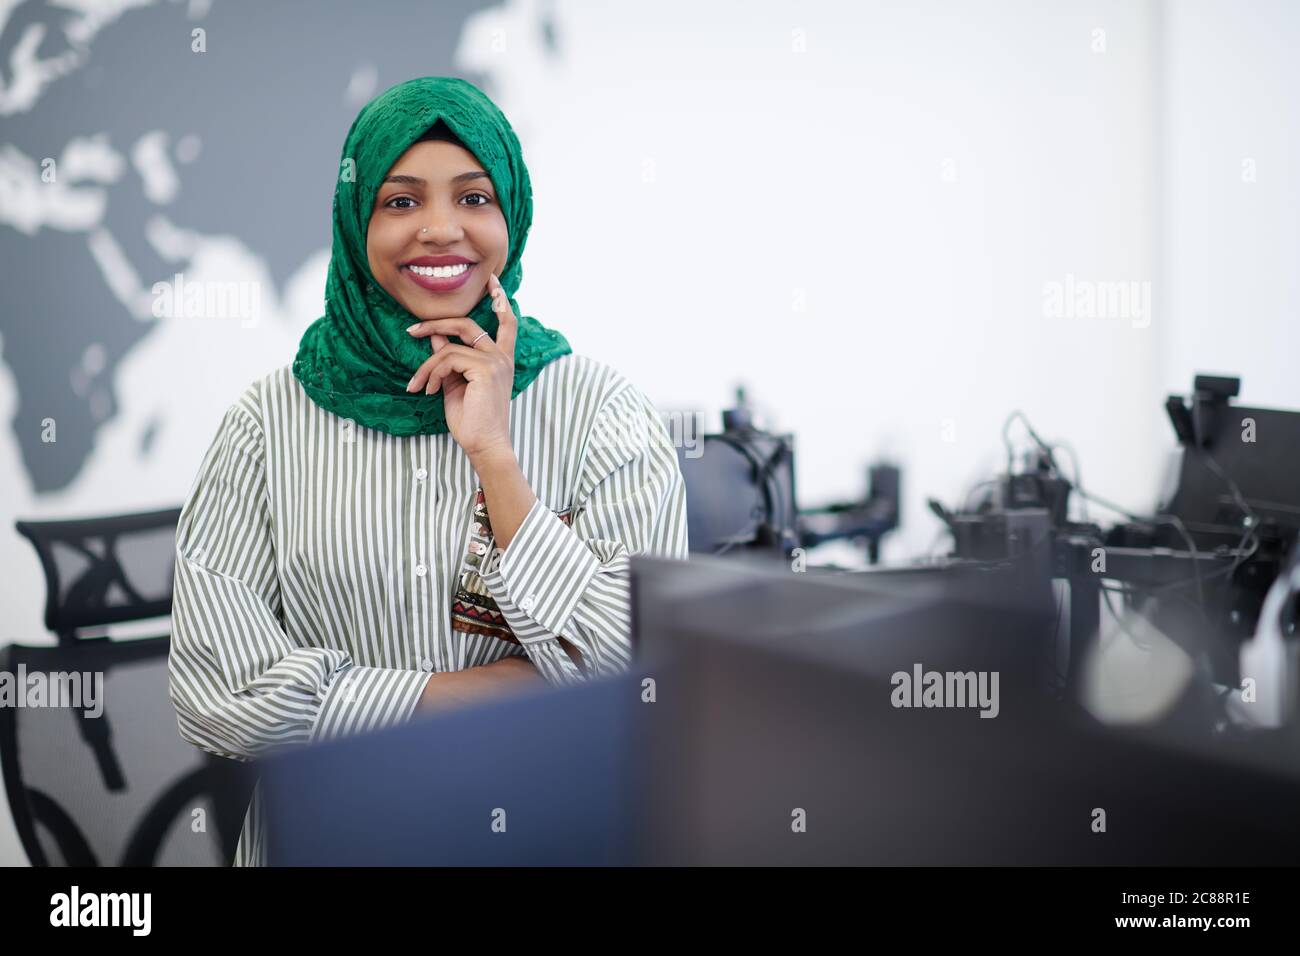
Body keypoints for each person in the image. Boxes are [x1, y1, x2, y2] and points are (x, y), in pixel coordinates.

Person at [166, 76, 689, 867]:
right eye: (401, 202)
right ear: (355, 222)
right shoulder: (265, 425)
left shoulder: (601, 412)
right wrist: (461, 699)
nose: (441, 230)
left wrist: (496, 460)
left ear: (511, 212)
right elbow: (216, 694)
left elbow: (641, 681)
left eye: (474, 198)